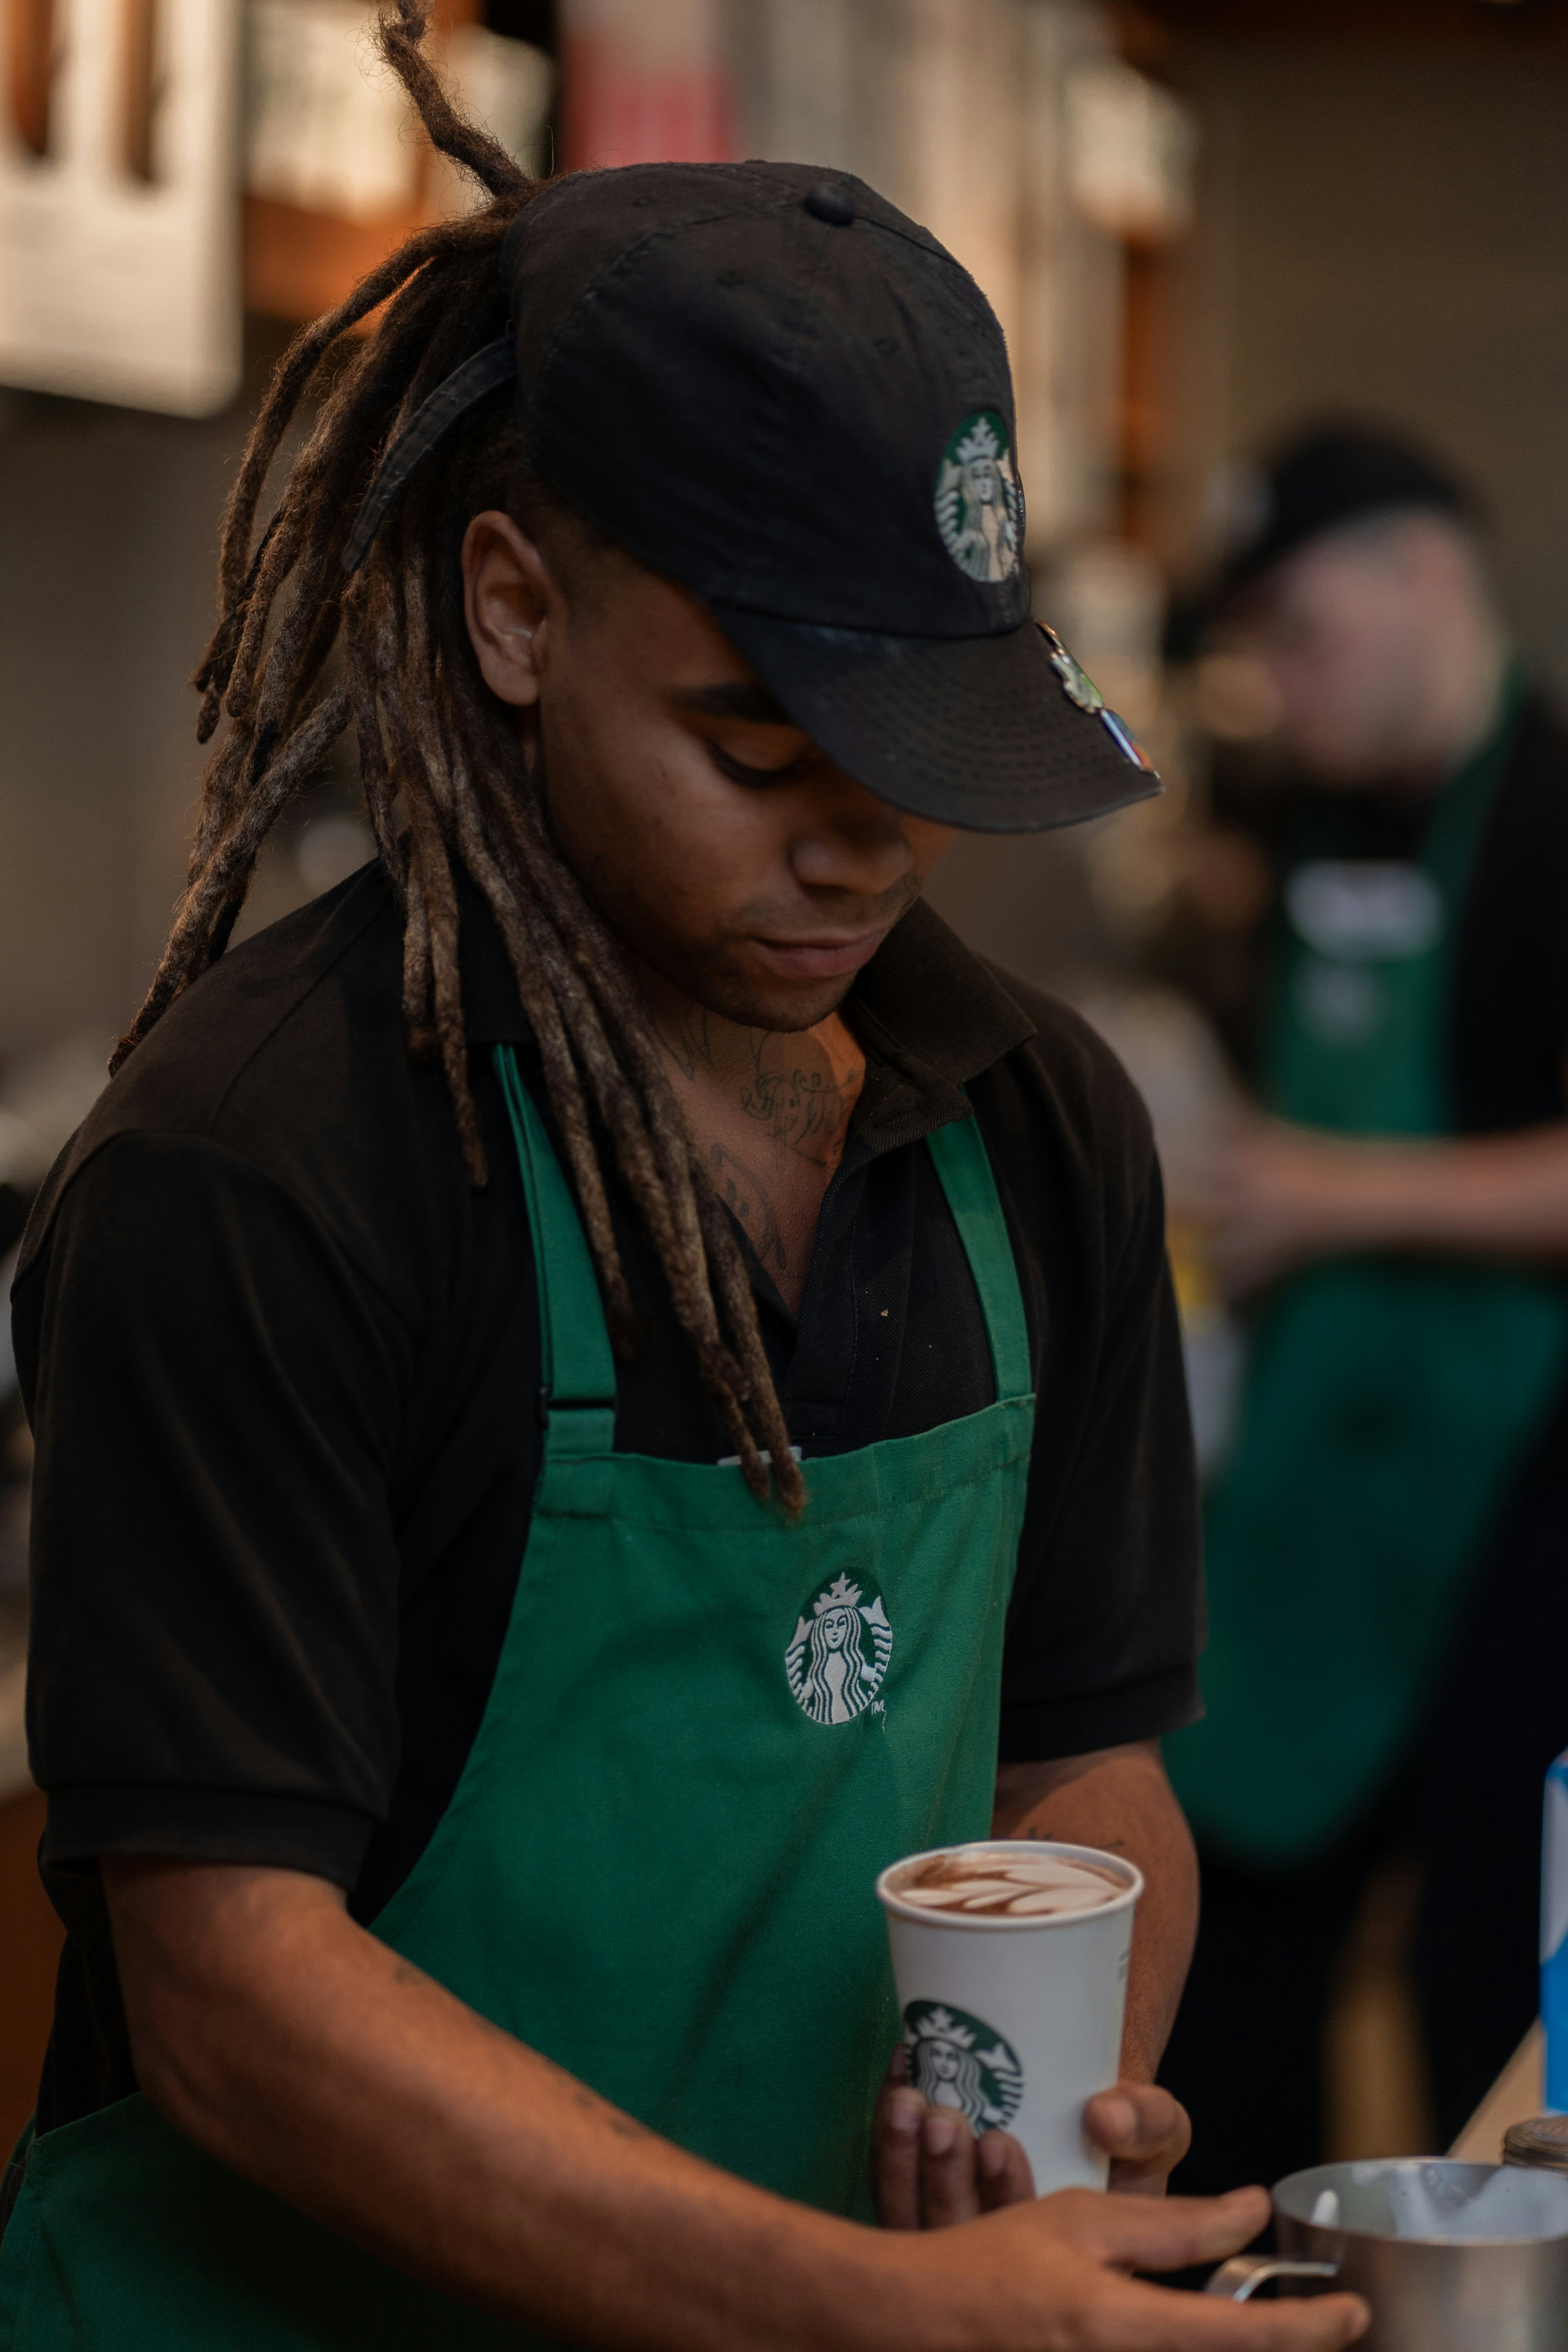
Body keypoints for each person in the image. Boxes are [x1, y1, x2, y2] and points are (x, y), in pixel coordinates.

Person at [0, 16, 1366, 2350]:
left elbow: (1084, 1754)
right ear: (515, 611)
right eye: (757, 747)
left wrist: (1064, 2087)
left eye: (917, 750)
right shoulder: (270, 1171)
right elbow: (228, 1992)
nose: (860, 842)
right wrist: (854, 2309)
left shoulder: (1030, 1124)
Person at [1158, 424, 1568, 2192]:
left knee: (1490, 1990)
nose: (1278, 681)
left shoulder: (1551, 816)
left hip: (1516, 1515)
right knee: (1232, 1993)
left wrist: (1330, 1193)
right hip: (1307, 1493)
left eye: (1301, 634)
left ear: (1428, 578)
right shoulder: (1292, 824)